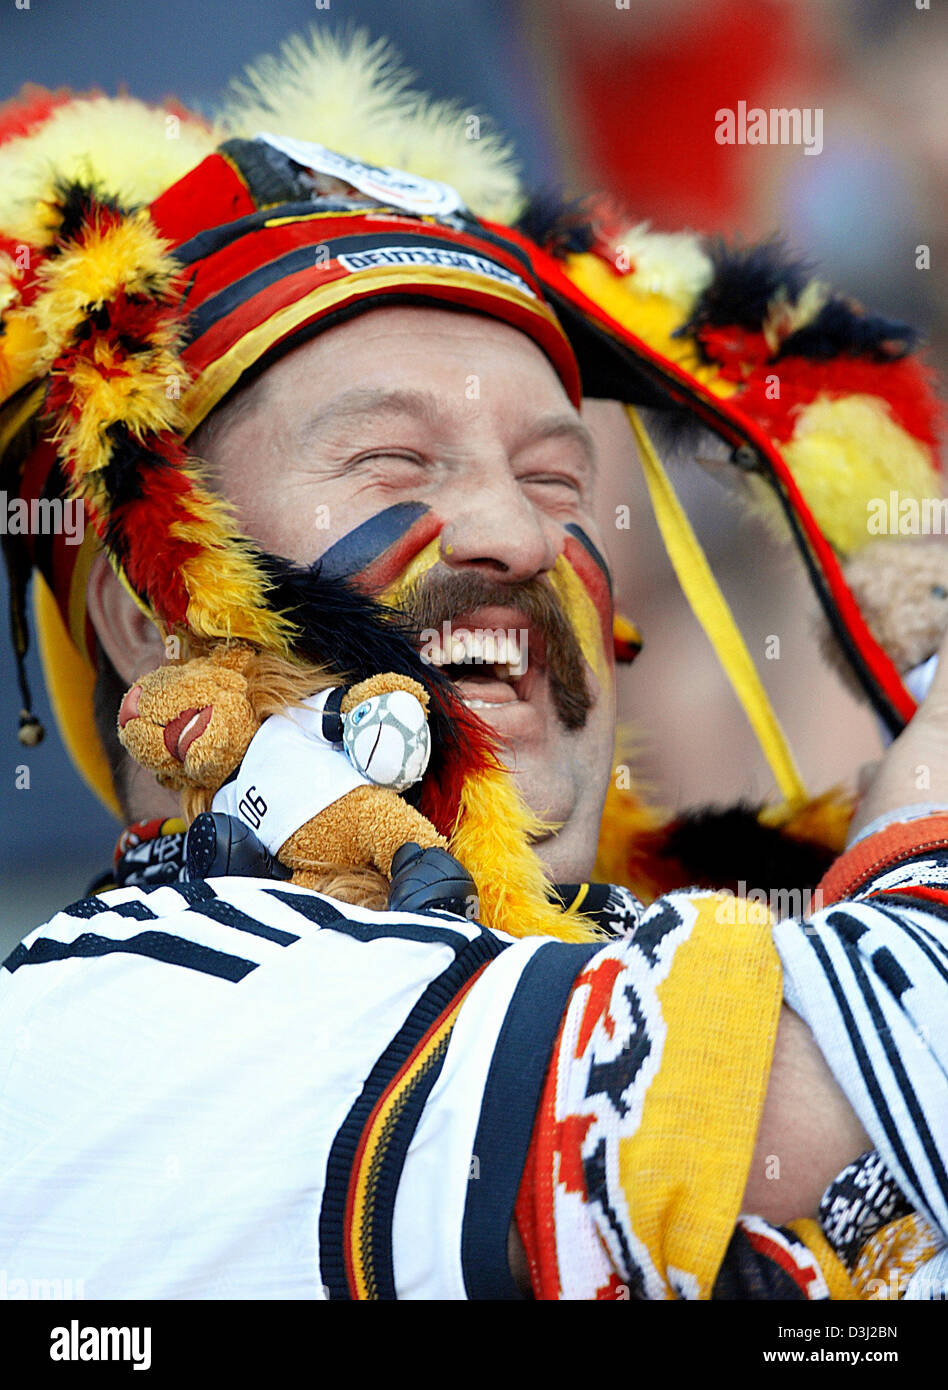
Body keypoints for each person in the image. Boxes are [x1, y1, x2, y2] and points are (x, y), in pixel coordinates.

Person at [0, 30, 946, 1301]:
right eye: (392, 461)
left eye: (557, 479)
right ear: (137, 615)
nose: (516, 534)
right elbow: (858, 1105)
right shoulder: (110, 1024)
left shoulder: (634, 959)